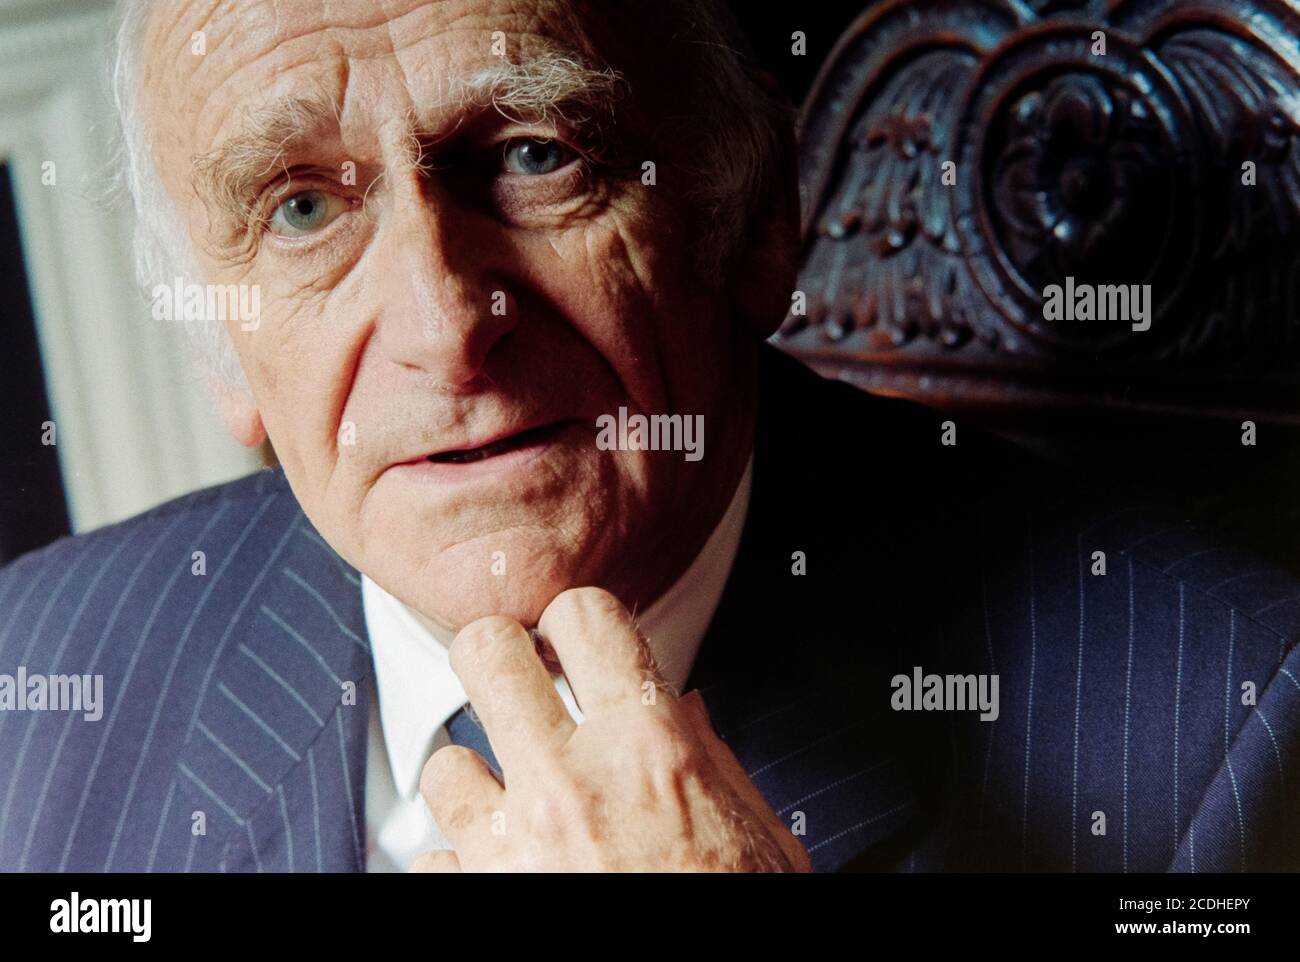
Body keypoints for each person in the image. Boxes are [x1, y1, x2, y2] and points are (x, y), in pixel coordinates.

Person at [0, 0, 1296, 872]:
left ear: (756, 217)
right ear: (218, 343)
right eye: (297, 210)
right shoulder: (39, 674)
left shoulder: (1237, 728)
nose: (447, 324)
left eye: (529, 154)